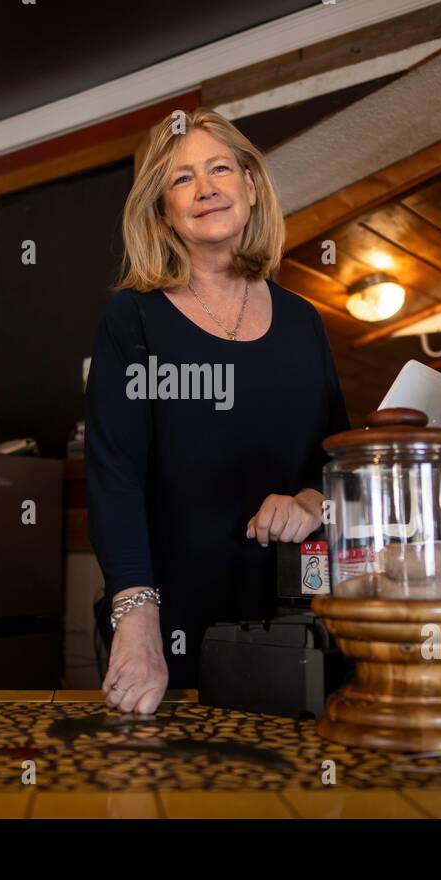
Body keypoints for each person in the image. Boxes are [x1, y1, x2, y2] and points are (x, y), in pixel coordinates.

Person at [86, 108, 348, 714]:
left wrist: (310, 502)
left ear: (251, 188)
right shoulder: (134, 319)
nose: (204, 189)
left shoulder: (304, 322)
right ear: (162, 209)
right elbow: (114, 477)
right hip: (170, 622)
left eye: (220, 169)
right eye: (181, 179)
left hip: (294, 620)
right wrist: (135, 615)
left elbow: (336, 462)